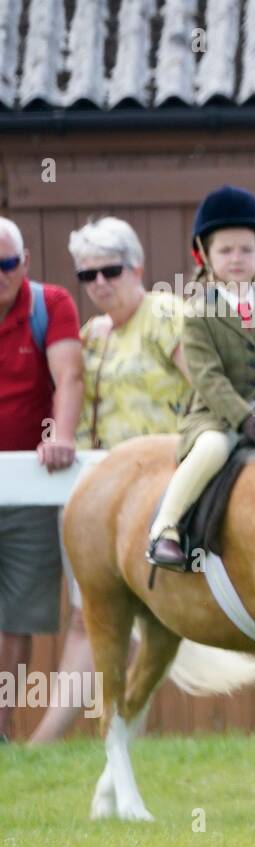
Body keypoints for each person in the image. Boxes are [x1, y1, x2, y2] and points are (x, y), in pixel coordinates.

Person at [29, 216, 192, 743]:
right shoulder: (91, 336)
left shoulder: (166, 315)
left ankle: (118, 734)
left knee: (149, 619)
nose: (99, 283)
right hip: (103, 499)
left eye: (111, 270)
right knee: (88, 619)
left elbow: (208, 387)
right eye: (87, 275)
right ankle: (44, 743)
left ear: (137, 267)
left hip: (161, 490)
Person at [145, 185, 255, 570]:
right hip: (215, 419)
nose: (237, 258)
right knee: (212, 450)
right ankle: (166, 529)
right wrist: (242, 418)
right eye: (225, 250)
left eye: (246, 249)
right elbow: (208, 378)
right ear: (202, 255)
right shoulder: (196, 313)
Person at [0, 217, 83, 743]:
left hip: (27, 485)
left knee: (16, 618)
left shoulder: (48, 305)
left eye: (6, 264)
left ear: (24, 262)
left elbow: (68, 375)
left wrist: (60, 435)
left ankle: (2, 731)